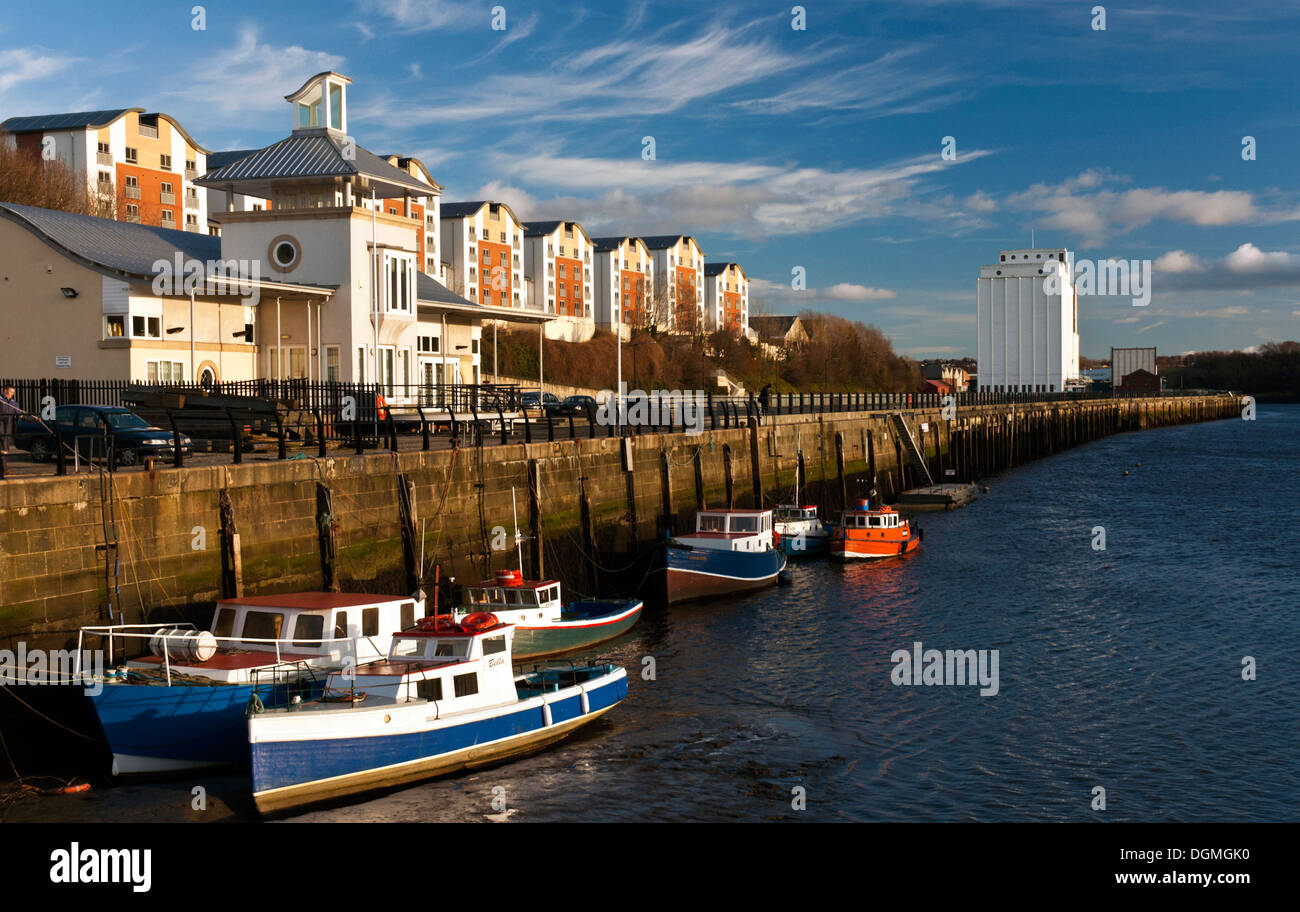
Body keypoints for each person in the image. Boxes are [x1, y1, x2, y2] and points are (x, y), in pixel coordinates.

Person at [0, 386, 21, 453]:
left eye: (13, 392)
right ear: (5, 391)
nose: (12, 394)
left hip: (7, 432)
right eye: (11, 392)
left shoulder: (13, 403)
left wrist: (34, 419)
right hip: (0, 430)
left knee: (4, 453)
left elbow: (20, 415)